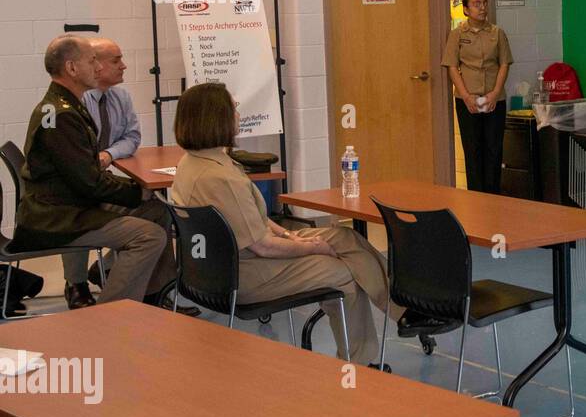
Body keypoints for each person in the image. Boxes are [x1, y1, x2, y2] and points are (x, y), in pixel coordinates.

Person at [170, 82, 391, 364]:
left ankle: (398, 306)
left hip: (213, 268)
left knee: (346, 239)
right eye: (233, 108)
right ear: (216, 117)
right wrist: (311, 248)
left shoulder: (193, 164)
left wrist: (291, 235)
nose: (238, 113)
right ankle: (362, 363)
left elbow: (256, 219)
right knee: (343, 271)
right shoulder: (220, 177)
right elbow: (262, 246)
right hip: (243, 274)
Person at [13, 36, 175, 306]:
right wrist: (138, 193)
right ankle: (110, 315)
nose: (98, 68)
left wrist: (139, 194)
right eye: (92, 62)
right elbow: (89, 183)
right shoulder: (63, 116)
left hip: (71, 204)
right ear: (72, 68)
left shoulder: (66, 105)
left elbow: (87, 173)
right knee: (149, 236)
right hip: (61, 216)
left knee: (157, 212)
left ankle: (150, 294)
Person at [61, 36, 142, 309]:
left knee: (154, 207)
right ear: (94, 65)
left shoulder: (121, 96)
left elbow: (132, 137)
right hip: (78, 185)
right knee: (78, 204)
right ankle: (76, 283)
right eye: (116, 60)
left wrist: (109, 154)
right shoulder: (75, 102)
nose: (124, 66)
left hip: (105, 177)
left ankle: (107, 269)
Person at [442, 0, 513, 193]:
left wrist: (495, 92)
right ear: (466, 9)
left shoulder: (497, 33)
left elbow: (504, 64)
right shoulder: (457, 35)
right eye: (476, 4)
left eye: (484, 3)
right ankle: (477, 199)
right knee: (473, 151)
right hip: (468, 100)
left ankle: (494, 197)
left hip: (494, 99)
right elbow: (452, 67)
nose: (482, 8)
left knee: (494, 150)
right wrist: (465, 96)